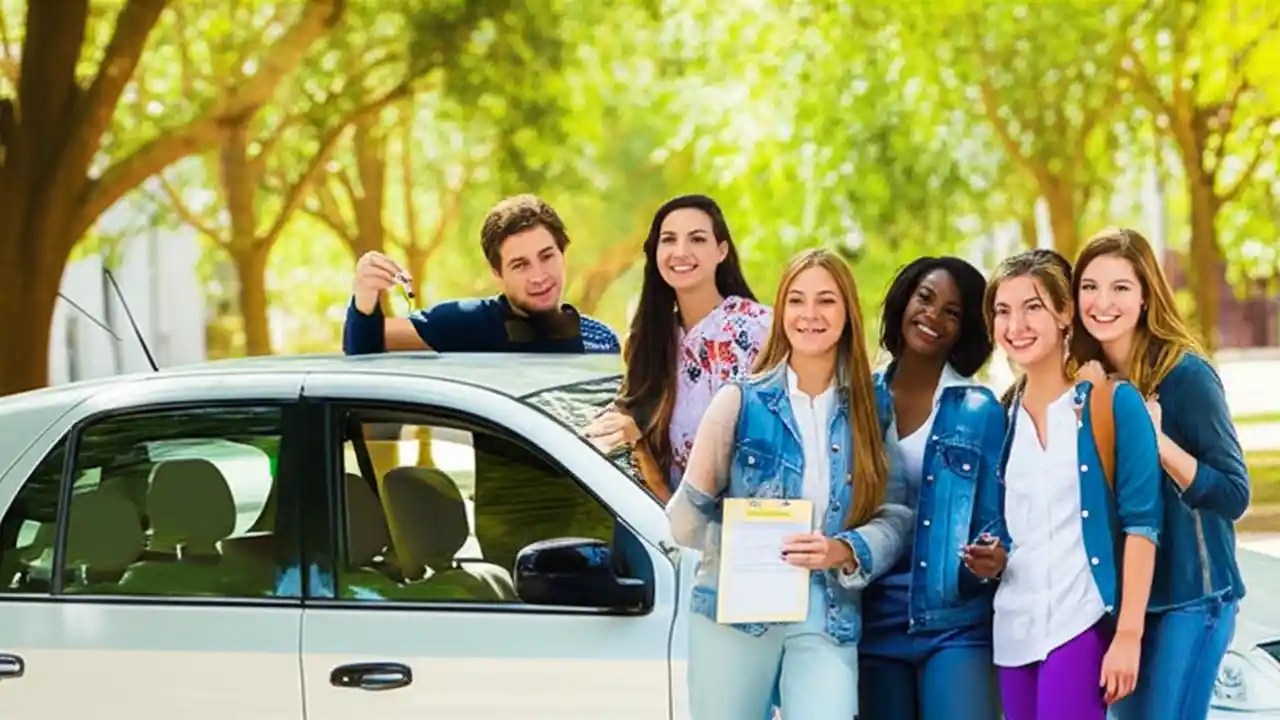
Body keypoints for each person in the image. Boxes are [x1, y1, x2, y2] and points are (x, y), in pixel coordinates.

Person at [666, 248, 912, 720]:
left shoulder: (873, 407)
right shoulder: (739, 402)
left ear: (847, 313)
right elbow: (683, 521)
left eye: (826, 301)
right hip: (735, 613)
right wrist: (748, 544)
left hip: (828, 610)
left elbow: (896, 516)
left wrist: (845, 549)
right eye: (797, 301)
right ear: (781, 313)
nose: (810, 315)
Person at [969, 249, 1162, 720]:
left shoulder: (1112, 404)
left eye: (1032, 307)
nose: (1016, 324)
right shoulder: (1000, 420)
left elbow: (1143, 525)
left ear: (1064, 314)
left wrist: (1128, 636)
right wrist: (993, 558)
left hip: (1080, 623)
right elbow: (1014, 530)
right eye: (1002, 310)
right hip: (1014, 631)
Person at [1069, 227, 1249, 720]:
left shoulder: (1186, 375)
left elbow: (1234, 493)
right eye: (1089, 287)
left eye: (1120, 288)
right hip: (1126, 601)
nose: (1102, 302)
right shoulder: (1081, 382)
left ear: (1146, 296)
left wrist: (1157, 442)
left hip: (1194, 597)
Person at [857, 257, 1005, 720]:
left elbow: (995, 522)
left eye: (952, 312)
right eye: (925, 298)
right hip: (872, 620)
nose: (933, 316)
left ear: (966, 330)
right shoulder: (858, 398)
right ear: (904, 300)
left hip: (954, 623)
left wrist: (992, 562)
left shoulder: (980, 410)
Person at [583, 194, 771, 501]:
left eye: (697, 239)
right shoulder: (648, 342)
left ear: (721, 251)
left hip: (753, 524)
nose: (681, 252)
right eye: (668, 240)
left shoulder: (760, 329)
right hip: (674, 529)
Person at [342, 193, 620, 354]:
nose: (539, 276)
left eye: (546, 257)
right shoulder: (469, 324)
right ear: (496, 272)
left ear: (563, 254)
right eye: (520, 265)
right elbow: (364, 346)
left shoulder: (600, 340)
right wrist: (364, 293)